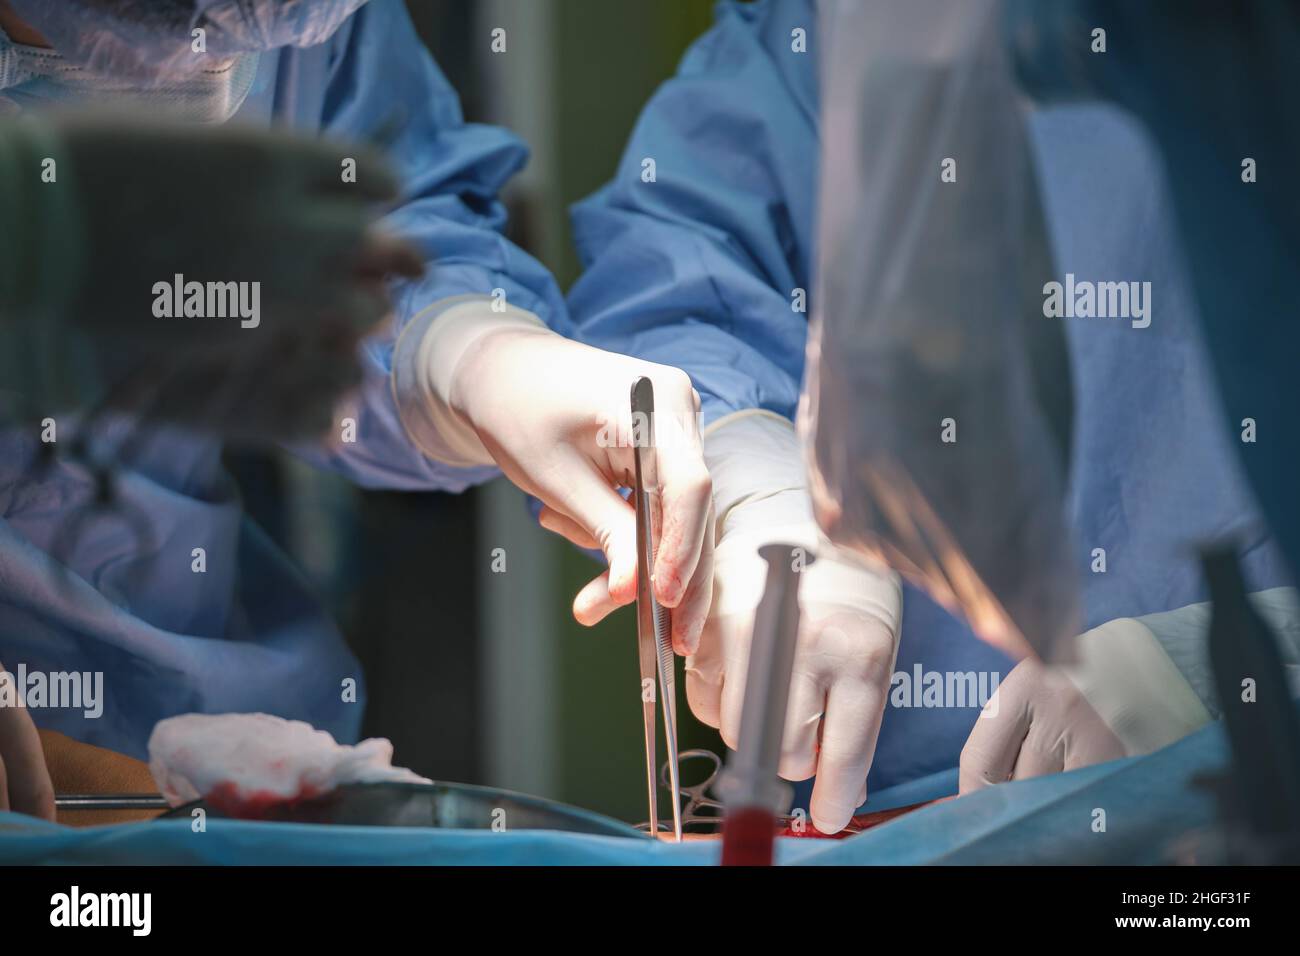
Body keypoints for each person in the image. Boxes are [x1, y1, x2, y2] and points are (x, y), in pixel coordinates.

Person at [566, 0, 1295, 831]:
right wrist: (751, 467)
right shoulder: (837, 28)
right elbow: (681, 259)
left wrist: (1234, 667)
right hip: (898, 817)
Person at [0, 0, 715, 817]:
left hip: (183, 715)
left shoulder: (306, 24)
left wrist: (465, 347)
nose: (223, 70)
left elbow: (389, 207)